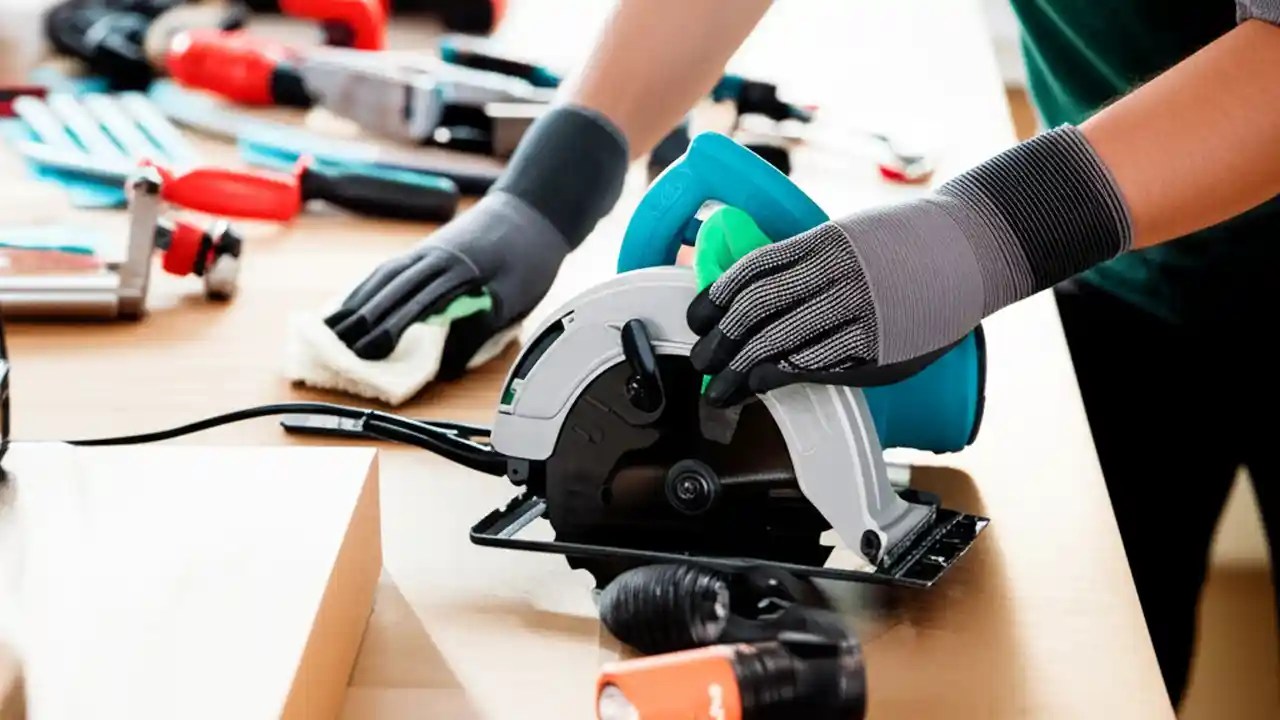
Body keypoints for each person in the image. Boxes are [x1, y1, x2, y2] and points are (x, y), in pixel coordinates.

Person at [324, 0, 1280, 706]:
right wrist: (553, 181)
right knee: (1115, 671)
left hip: (1107, 202)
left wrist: (993, 229)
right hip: (1132, 257)